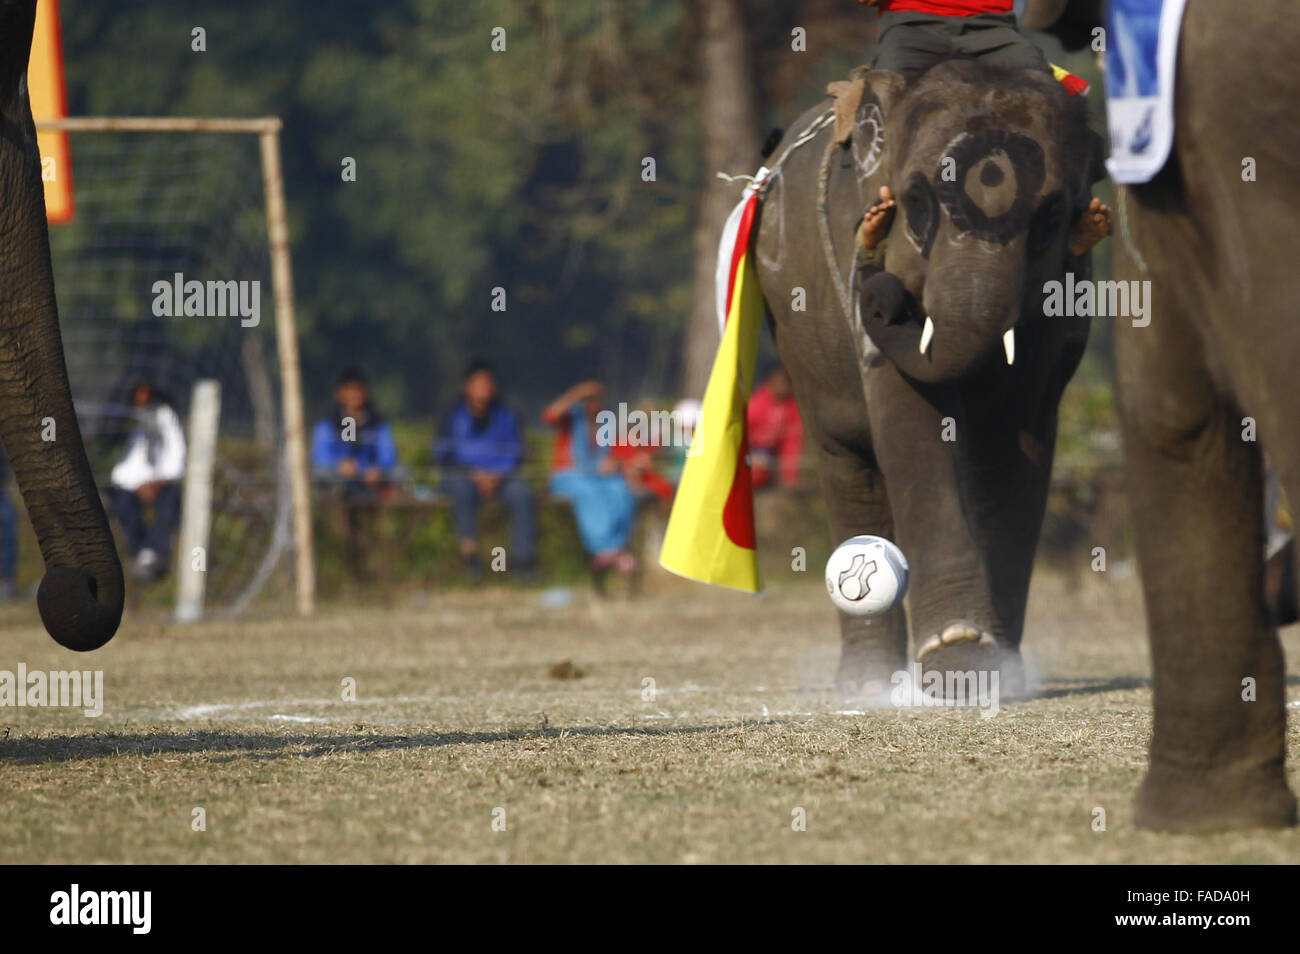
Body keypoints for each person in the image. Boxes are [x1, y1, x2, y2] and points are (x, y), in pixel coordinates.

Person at [853, 0, 1112, 258]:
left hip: (992, 27)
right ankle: (873, 220)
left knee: (1053, 99)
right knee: (883, 94)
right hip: (910, 24)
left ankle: (1076, 218)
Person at [436, 359, 537, 582]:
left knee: (522, 494)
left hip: (502, 478)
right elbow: (443, 455)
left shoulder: (507, 415)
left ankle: (524, 563)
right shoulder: (452, 417)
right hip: (462, 477)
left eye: (488, 384)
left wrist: (496, 475)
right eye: (478, 384)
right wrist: (474, 474)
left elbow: (516, 451)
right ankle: (471, 558)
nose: (484, 390)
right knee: (462, 492)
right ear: (467, 387)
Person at [542, 380, 638, 580]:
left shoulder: (606, 422)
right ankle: (602, 549)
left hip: (599, 478)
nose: (593, 404)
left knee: (621, 489)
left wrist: (615, 465)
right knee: (588, 491)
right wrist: (577, 393)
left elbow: (621, 455)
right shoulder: (571, 419)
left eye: (597, 399)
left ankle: (616, 547)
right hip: (568, 476)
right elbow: (549, 415)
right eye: (589, 400)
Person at [110, 379, 186, 581]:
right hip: (134, 484)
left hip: (163, 482)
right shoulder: (129, 422)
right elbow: (126, 466)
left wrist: (156, 482)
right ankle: (141, 552)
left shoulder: (166, 417)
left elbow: (176, 457)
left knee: (169, 505)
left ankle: (156, 553)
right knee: (122, 504)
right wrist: (138, 484)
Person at [311, 367, 400, 499]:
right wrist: (339, 466)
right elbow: (320, 456)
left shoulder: (377, 422)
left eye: (358, 389)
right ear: (340, 393)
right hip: (338, 477)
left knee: (400, 472)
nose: (354, 395)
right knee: (320, 473)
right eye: (349, 390)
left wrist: (377, 470)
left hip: (369, 478)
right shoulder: (328, 423)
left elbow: (388, 454)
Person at [747, 365, 804, 490]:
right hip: (751, 453)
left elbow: (791, 443)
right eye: (777, 382)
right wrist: (749, 454)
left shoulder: (792, 408)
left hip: (772, 455)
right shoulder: (756, 404)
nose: (781, 386)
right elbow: (742, 434)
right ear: (769, 382)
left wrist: (790, 476)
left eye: (785, 382)